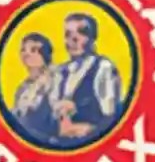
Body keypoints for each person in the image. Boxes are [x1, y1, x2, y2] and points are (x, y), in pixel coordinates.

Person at [50, 12, 122, 145]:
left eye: (82, 33)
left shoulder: (103, 68)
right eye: (68, 34)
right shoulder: (61, 72)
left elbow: (110, 117)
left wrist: (89, 129)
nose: (74, 39)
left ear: (93, 37)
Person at [11, 33, 57, 144]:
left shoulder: (55, 79)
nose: (26, 54)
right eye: (23, 50)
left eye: (34, 50)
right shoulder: (22, 88)